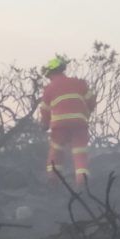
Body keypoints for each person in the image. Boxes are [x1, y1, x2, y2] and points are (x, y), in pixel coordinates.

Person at [39, 56, 96, 187]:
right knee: (79, 152)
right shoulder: (79, 83)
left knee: (56, 150)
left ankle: (53, 179)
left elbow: (45, 110)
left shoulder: (49, 88)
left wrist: (45, 124)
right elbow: (91, 102)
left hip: (60, 126)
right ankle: (82, 180)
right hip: (79, 124)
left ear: (51, 73)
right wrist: (85, 114)